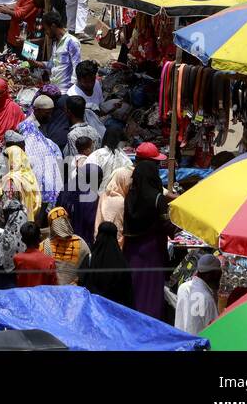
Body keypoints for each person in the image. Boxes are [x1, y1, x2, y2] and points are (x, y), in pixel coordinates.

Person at [122, 143, 174, 320]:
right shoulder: (157, 198)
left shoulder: (131, 194)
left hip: (133, 252)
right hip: (152, 251)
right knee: (151, 293)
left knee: (135, 290)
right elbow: (168, 227)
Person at [80, 221, 133, 307]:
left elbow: (81, 285)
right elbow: (128, 295)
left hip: (93, 311)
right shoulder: (123, 264)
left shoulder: (90, 259)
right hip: (114, 314)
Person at [41, 205, 90, 284]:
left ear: (51, 226)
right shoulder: (80, 243)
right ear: (67, 221)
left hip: (51, 292)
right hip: (74, 292)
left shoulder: (44, 246)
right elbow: (88, 266)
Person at [174, 253, 222, 335]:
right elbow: (215, 331)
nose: (220, 279)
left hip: (181, 343)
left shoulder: (183, 288)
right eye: (218, 274)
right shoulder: (207, 299)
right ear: (210, 275)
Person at [12, 221, 58, 287]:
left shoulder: (17, 258)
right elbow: (53, 286)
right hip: (42, 296)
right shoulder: (50, 262)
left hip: (23, 296)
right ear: (40, 238)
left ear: (22, 240)